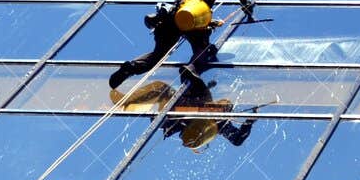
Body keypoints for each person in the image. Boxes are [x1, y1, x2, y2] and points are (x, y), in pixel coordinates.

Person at [108, 0, 255, 88]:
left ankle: (132, 67)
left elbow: (186, 15)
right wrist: (244, 2)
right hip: (191, 14)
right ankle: (191, 69)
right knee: (202, 47)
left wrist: (210, 22)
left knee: (158, 54)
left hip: (174, 17)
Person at [109, 67, 255, 149]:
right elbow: (237, 139)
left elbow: (237, 140)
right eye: (222, 104)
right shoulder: (209, 107)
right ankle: (127, 102)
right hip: (175, 111)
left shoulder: (220, 123)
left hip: (173, 117)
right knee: (160, 87)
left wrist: (249, 122)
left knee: (163, 88)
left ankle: (127, 102)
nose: (220, 105)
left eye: (224, 106)